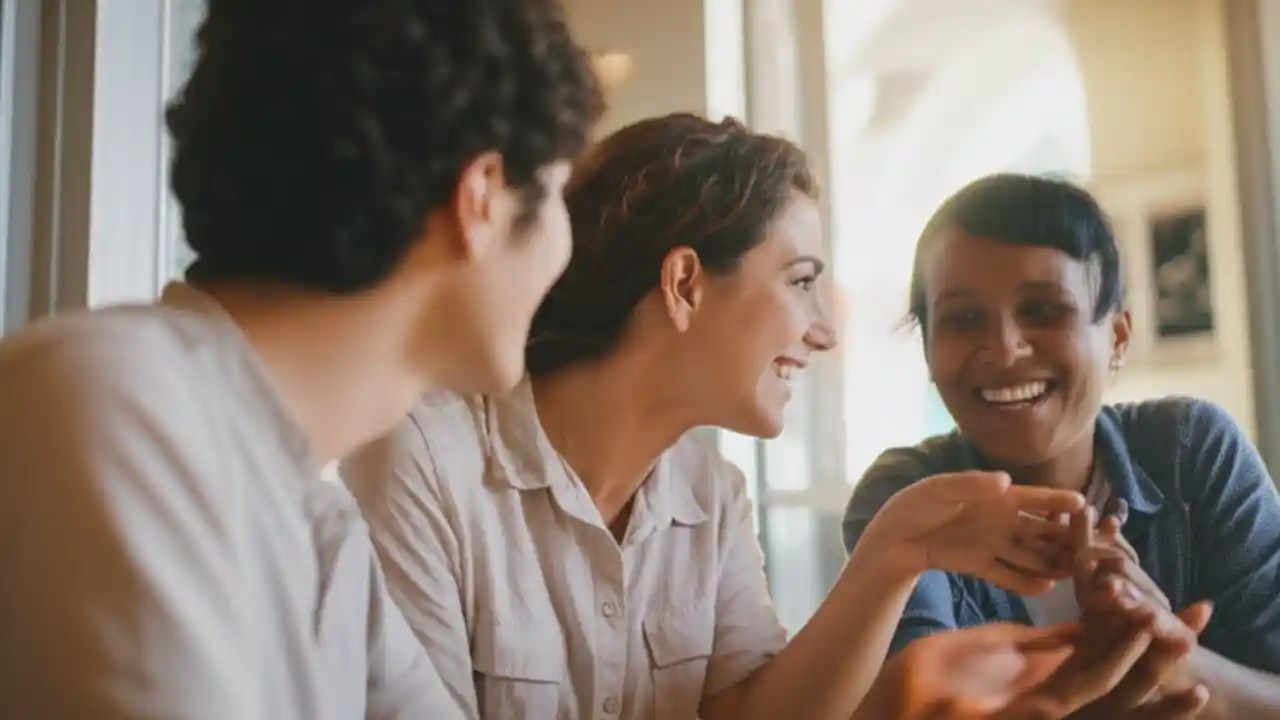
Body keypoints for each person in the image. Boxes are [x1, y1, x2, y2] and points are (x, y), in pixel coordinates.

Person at [344, 115, 1184, 720]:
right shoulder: (423, 459)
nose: (822, 330)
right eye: (800, 280)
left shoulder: (713, 497)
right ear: (684, 285)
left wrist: (896, 553)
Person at [0, 1, 603, 717]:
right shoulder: (112, 401)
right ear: (482, 199)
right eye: (561, 193)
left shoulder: (324, 531)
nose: (567, 249)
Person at [844, 173, 1280, 718]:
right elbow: (921, 708)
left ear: (1117, 337)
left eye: (1045, 310)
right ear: (928, 351)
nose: (1003, 350)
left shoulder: (1191, 450)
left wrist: (1169, 652)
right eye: (964, 318)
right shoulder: (907, 499)